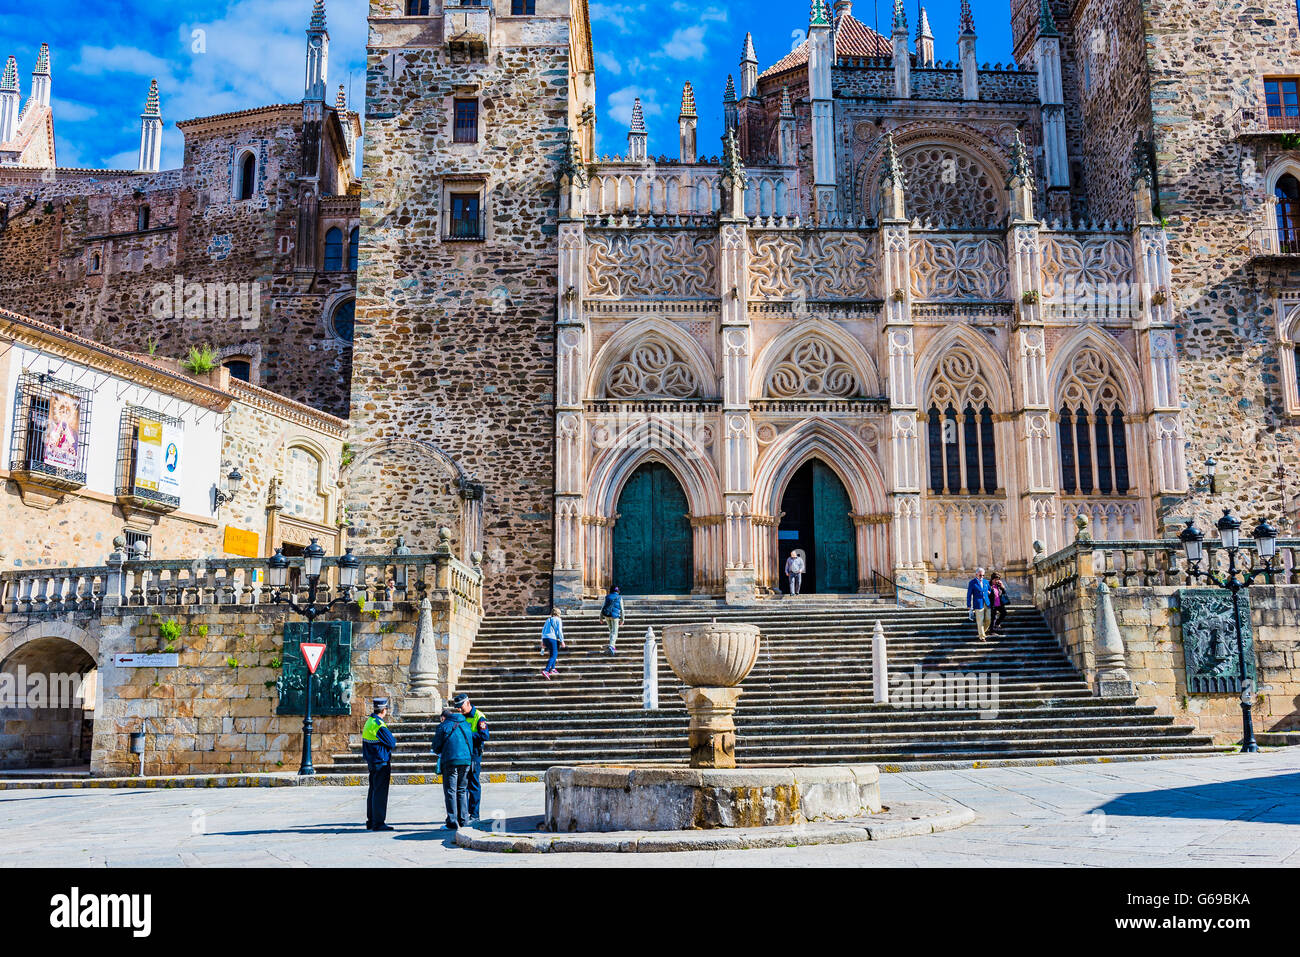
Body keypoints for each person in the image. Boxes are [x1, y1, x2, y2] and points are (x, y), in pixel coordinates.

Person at [430, 704, 474, 829]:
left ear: (443, 718)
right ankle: (464, 820)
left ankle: (452, 821)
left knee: (450, 791)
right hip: (466, 761)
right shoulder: (466, 724)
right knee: (462, 790)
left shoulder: (443, 726)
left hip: (450, 761)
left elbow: (436, 746)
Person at [451, 691, 489, 821]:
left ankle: (474, 814)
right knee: (462, 785)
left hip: (474, 755)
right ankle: (463, 814)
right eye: (457, 708)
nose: (459, 710)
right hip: (462, 754)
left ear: (468, 703)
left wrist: (468, 736)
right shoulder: (460, 716)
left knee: (473, 784)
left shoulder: (479, 716)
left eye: (461, 707)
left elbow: (485, 736)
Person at [361, 698, 398, 831]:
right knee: (380, 793)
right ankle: (378, 822)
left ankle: (371, 821)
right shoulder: (379, 724)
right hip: (380, 761)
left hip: (372, 761)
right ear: (384, 710)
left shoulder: (369, 721)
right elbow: (392, 742)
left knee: (373, 791)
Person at [966, 566, 992, 642]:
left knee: (988, 619)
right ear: (976, 574)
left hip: (987, 603)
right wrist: (968, 605)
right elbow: (969, 594)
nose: (982, 577)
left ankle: (982, 632)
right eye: (980, 575)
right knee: (980, 621)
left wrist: (989, 592)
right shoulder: (972, 582)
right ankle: (982, 636)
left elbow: (989, 590)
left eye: (983, 575)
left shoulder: (986, 582)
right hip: (978, 603)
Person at [540, 607, 565, 678]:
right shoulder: (558, 620)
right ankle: (546, 670)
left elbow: (543, 630)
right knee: (554, 655)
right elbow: (559, 631)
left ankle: (553, 669)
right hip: (552, 638)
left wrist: (542, 641)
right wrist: (562, 641)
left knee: (552, 653)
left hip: (545, 638)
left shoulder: (548, 619)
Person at [600, 586, 625, 655]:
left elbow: (603, 607)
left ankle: (611, 644)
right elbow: (622, 610)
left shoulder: (607, 597)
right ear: (618, 591)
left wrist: (601, 617)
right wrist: (622, 619)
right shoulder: (619, 597)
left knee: (611, 631)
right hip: (615, 617)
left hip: (607, 616)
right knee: (615, 632)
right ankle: (612, 646)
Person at [989, 572, 1008, 636]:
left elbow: (1004, 593)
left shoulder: (999, 585)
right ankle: (991, 631)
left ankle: (997, 624)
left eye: (998, 579)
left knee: (1004, 613)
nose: (996, 581)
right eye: (995, 579)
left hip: (999, 603)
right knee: (993, 617)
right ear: (992, 579)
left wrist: (1002, 587)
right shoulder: (989, 585)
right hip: (992, 604)